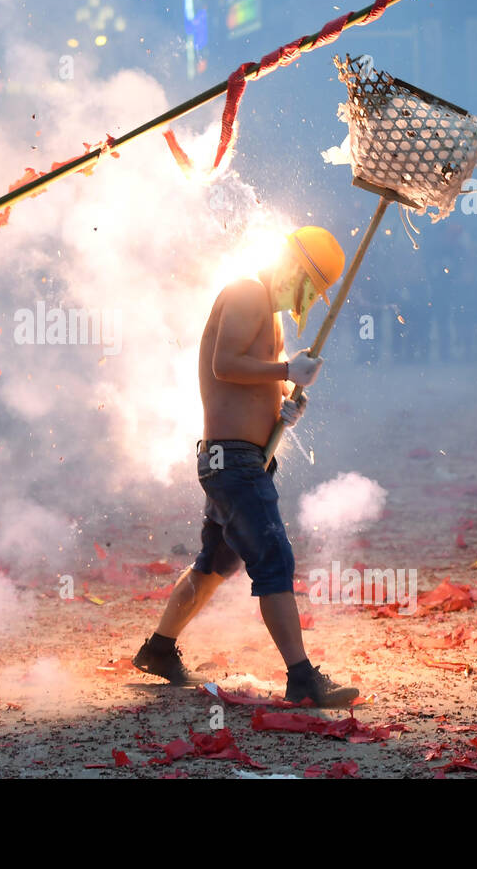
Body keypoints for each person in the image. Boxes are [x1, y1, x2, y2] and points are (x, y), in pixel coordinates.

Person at [132, 226, 358, 708]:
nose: (310, 300)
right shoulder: (247, 292)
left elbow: (254, 380)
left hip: (236, 461)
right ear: (297, 270)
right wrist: (284, 371)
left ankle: (158, 649)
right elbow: (225, 365)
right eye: (312, 288)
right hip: (232, 464)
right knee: (273, 558)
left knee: (216, 563)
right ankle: (301, 678)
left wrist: (286, 400)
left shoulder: (270, 316)